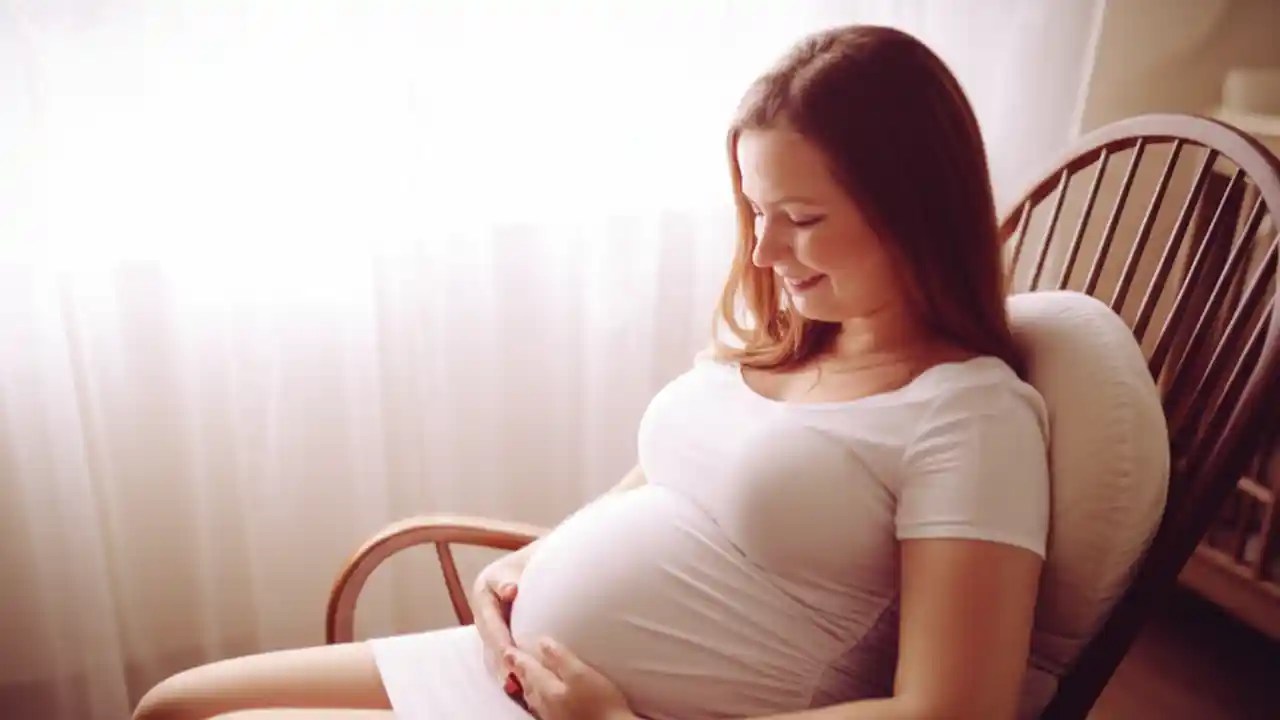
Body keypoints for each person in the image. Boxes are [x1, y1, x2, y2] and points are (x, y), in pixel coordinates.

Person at [133, 24, 1050, 720]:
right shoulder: (790, 342)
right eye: (756, 210)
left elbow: (952, 712)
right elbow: (666, 485)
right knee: (173, 705)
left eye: (801, 217)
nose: (765, 249)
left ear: (914, 209)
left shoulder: (969, 419)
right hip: (501, 668)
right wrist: (532, 563)